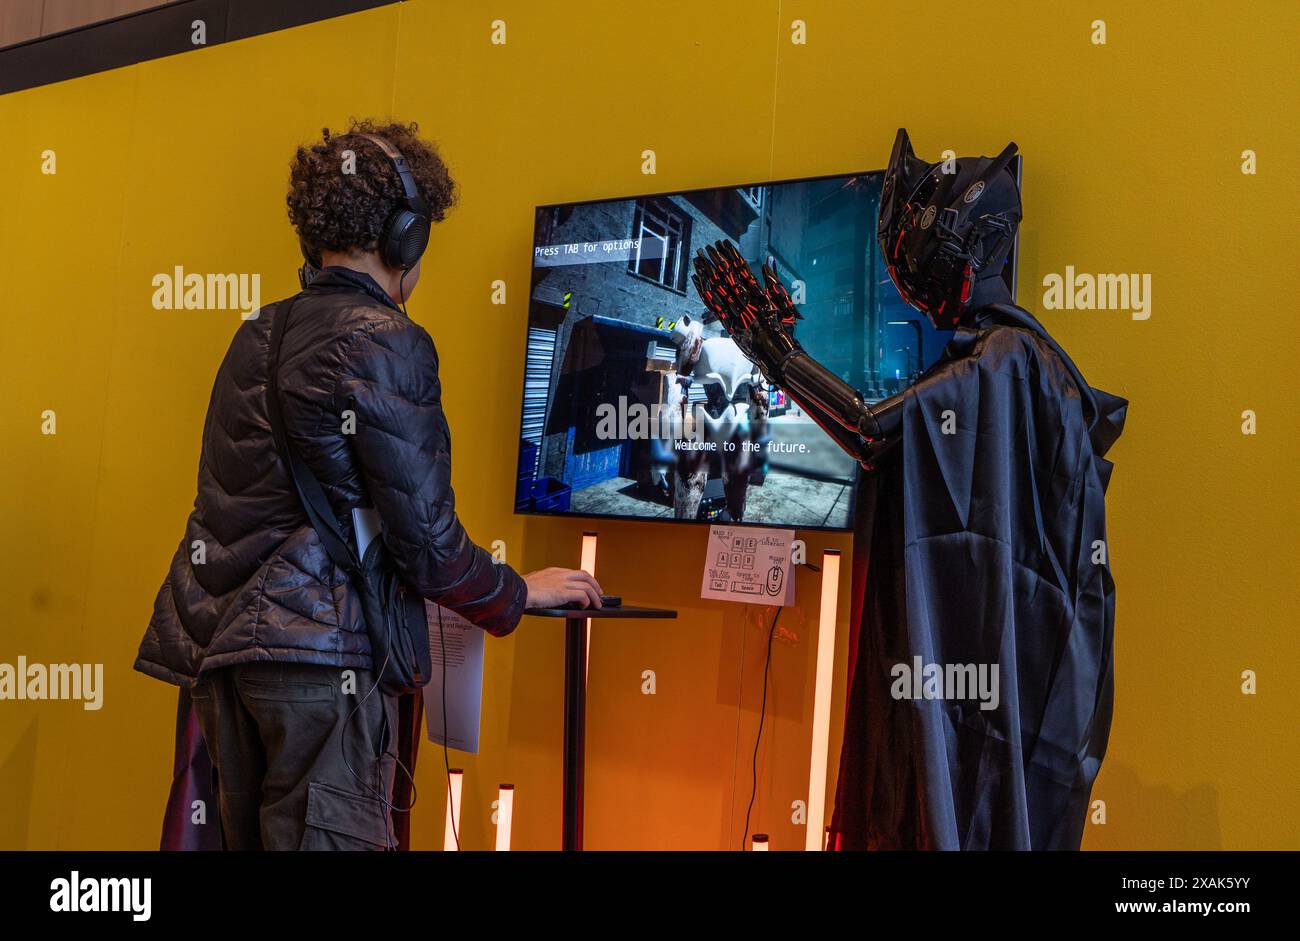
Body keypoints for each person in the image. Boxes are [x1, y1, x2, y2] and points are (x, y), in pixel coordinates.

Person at [136, 119, 601, 850]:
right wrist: (517, 591)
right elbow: (427, 542)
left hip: (219, 665)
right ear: (405, 238)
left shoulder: (256, 331)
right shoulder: (386, 338)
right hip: (320, 670)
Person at [692, 129, 1127, 849]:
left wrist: (774, 349)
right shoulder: (1009, 360)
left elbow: (871, 431)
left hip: (999, 696)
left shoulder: (1008, 358)